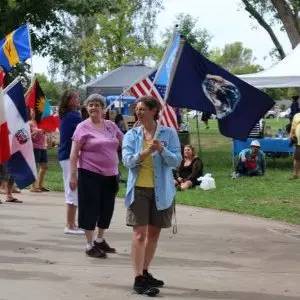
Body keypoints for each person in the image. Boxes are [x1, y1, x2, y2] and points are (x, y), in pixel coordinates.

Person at [122, 96, 182, 297]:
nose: (138, 113)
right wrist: (145, 153)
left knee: (154, 236)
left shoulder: (169, 134)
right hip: (139, 190)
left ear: (154, 110)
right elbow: (127, 162)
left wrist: (162, 150)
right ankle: (138, 279)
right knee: (139, 234)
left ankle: (145, 271)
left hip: (162, 191)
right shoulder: (132, 135)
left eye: (142, 109)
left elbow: (176, 161)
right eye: (137, 109)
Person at [69, 93, 123, 258]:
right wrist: (72, 176)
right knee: (90, 208)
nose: (94, 108)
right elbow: (74, 153)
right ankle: (89, 244)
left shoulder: (111, 126)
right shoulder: (82, 127)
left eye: (97, 105)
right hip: (89, 173)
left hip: (111, 175)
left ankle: (100, 240)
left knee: (107, 208)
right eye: (91, 105)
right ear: (86, 108)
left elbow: (123, 140)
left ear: (103, 108)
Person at [58, 89, 84, 235]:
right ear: (68, 100)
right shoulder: (73, 116)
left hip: (67, 156)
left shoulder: (69, 115)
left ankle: (72, 223)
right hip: (70, 157)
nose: (78, 98)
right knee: (72, 189)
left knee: (73, 189)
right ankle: (70, 225)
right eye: (75, 97)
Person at [29, 110, 49, 192]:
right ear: (30, 113)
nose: (34, 113)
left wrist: (46, 142)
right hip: (34, 147)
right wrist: (35, 132)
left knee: (45, 167)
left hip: (43, 147)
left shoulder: (41, 123)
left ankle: (40, 186)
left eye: (36, 111)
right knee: (34, 167)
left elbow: (45, 135)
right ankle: (33, 187)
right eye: (33, 111)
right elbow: (26, 136)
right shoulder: (29, 124)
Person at [288, 112, 300, 179]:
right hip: (298, 142)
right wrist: (291, 135)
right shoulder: (296, 115)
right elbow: (293, 127)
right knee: (297, 157)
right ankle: (296, 174)